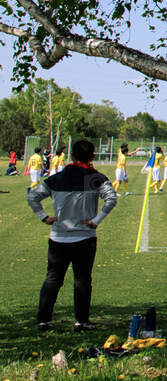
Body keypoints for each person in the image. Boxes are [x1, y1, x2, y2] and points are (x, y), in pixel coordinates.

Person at [27, 139, 117, 332]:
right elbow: (111, 197)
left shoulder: (58, 178)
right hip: (85, 237)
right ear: (92, 157)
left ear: (72, 156)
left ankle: (44, 320)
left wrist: (44, 217)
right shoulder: (93, 177)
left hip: (58, 237)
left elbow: (33, 196)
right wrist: (96, 220)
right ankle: (81, 321)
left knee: (53, 279)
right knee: (82, 280)